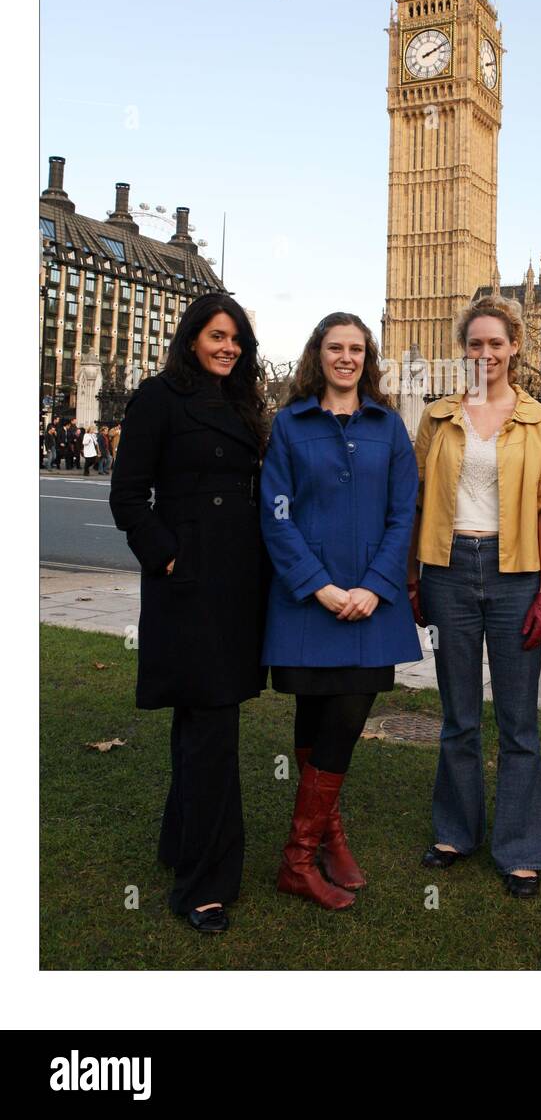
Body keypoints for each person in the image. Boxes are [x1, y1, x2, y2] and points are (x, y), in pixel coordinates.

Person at [110, 292, 271, 934]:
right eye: (216, 336)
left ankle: (179, 844)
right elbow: (128, 495)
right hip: (191, 580)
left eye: (235, 338)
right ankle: (203, 886)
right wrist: (168, 557)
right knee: (212, 729)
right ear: (192, 338)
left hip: (237, 578)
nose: (227, 346)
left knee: (200, 719)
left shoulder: (239, 401)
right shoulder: (158, 397)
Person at [409, 294, 541, 899]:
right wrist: (411, 579)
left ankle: (521, 847)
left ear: (515, 348)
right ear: (464, 349)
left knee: (518, 718)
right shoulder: (437, 418)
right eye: (475, 343)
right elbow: (415, 502)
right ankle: (456, 831)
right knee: (457, 714)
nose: (485, 353)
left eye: (496, 343)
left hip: (515, 575)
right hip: (449, 568)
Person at [260, 312, 421, 911]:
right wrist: (318, 587)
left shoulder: (389, 427)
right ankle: (320, 844)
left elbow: (403, 514)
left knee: (347, 717)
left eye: (356, 348)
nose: (346, 358)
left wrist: (377, 586)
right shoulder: (289, 424)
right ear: (318, 355)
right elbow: (277, 514)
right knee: (314, 714)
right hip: (308, 604)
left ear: (367, 358)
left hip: (371, 605)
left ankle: (303, 852)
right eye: (336, 348)